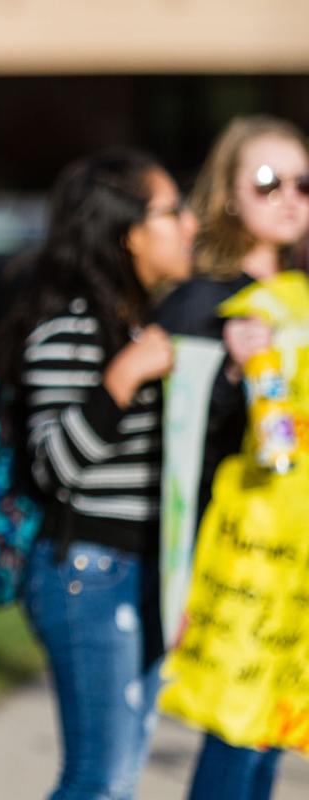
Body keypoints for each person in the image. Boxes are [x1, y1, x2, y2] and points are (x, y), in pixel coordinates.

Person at [0, 149, 197, 799]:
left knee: (118, 777)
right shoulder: (70, 328)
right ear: (131, 232)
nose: (190, 224)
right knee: (99, 779)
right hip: (88, 575)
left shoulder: (140, 325)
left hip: (137, 573)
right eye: (173, 211)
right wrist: (123, 379)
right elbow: (57, 465)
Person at [156, 115, 309, 800]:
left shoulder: (301, 297)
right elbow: (175, 445)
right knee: (235, 734)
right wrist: (229, 374)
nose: (290, 198)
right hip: (236, 558)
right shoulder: (199, 305)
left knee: (274, 736)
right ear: (226, 195)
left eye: (304, 183)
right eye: (269, 182)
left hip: (297, 558)